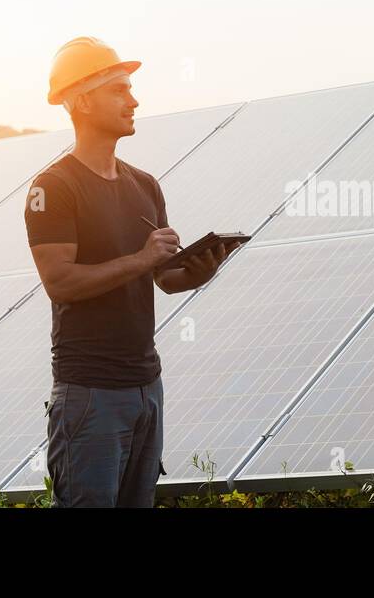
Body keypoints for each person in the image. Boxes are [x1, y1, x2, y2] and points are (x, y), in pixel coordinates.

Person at [24, 36, 231, 507]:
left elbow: (164, 279)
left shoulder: (145, 185)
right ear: (80, 101)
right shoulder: (52, 188)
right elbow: (60, 282)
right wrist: (141, 258)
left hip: (146, 387)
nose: (133, 100)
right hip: (90, 394)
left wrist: (200, 269)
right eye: (118, 89)